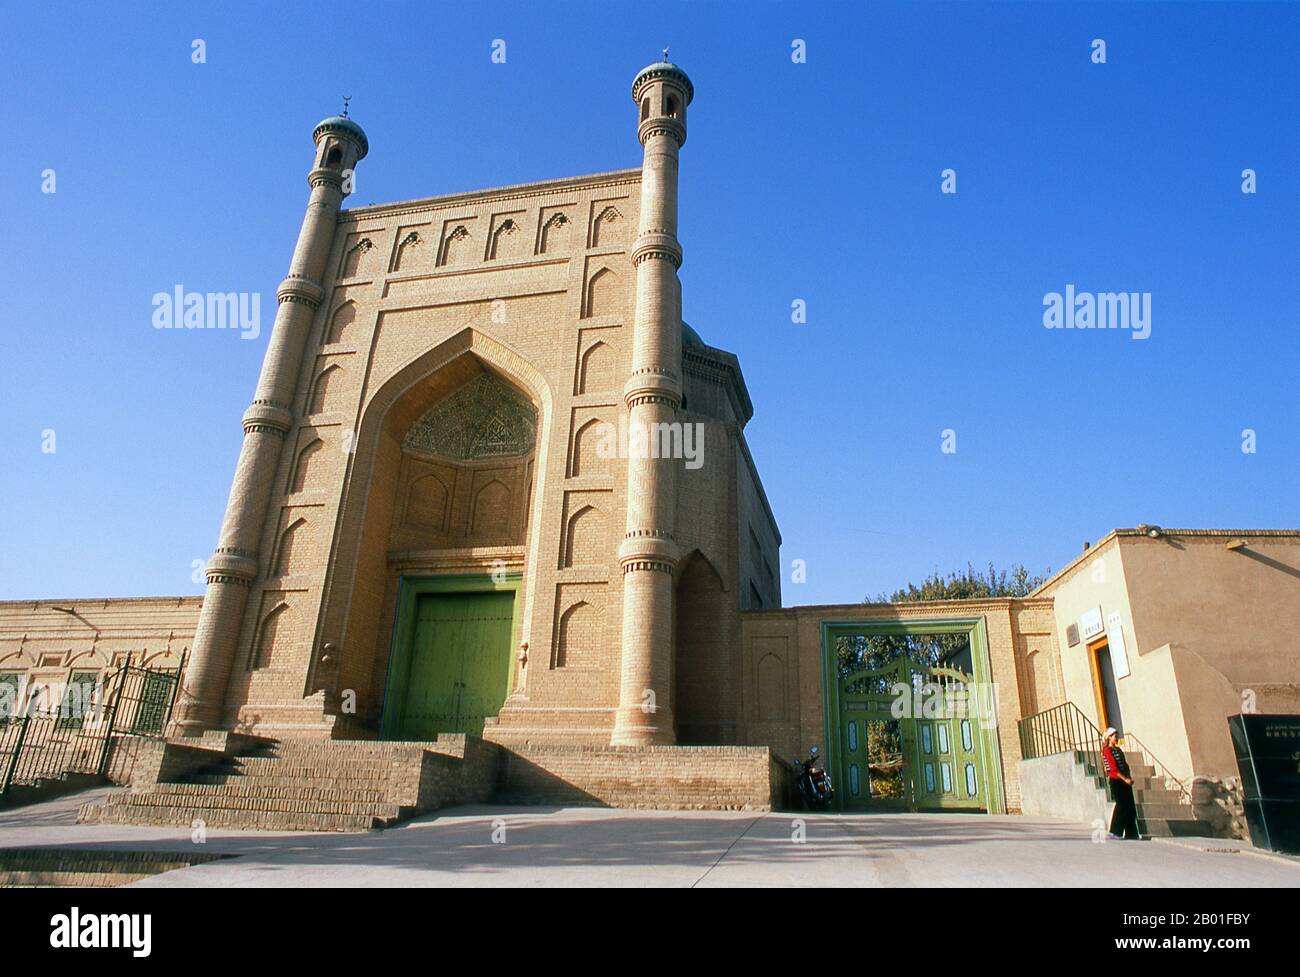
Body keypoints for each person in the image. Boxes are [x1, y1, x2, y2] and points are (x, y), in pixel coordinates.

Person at [1101, 727, 1140, 840]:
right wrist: (1124, 779)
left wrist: (1128, 777)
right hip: (1116, 780)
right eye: (1114, 736)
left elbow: (1125, 765)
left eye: (1117, 736)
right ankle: (1114, 831)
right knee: (1121, 805)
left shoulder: (1118, 750)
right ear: (1109, 737)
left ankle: (1131, 833)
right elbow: (1113, 768)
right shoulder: (1107, 750)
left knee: (1130, 806)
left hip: (1124, 779)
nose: (1116, 738)